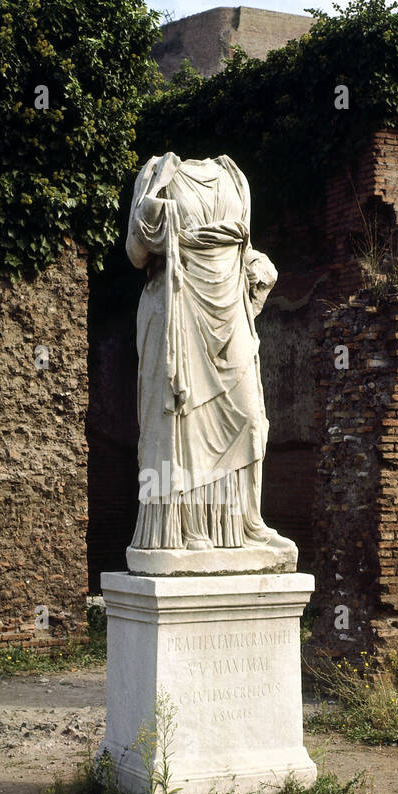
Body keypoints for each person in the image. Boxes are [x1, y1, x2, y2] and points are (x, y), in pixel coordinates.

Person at [125, 151, 295, 556]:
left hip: (229, 306)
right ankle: (184, 528)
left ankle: (243, 524)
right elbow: (135, 253)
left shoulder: (235, 176)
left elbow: (243, 248)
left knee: (251, 417)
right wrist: (151, 216)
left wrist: (260, 266)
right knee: (180, 424)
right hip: (178, 305)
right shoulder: (156, 173)